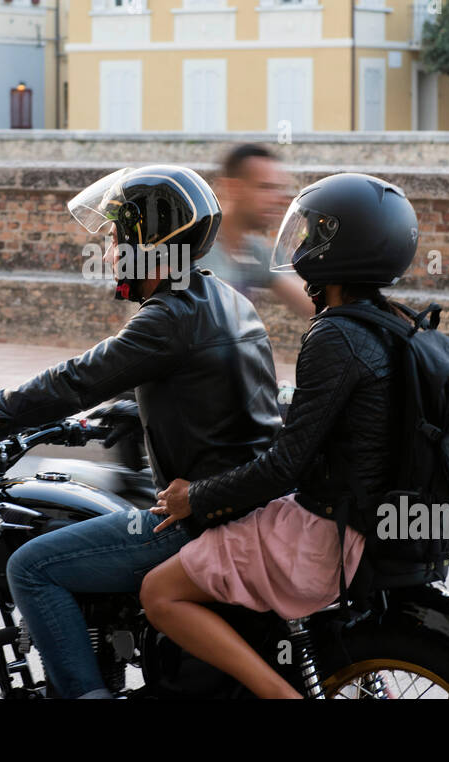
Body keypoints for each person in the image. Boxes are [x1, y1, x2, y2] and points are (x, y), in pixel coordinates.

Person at [0, 164, 281, 699]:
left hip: (200, 518)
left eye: (119, 234)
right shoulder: (225, 301)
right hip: (242, 505)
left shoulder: (168, 317)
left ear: (150, 241)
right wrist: (120, 414)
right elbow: (206, 397)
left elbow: (74, 380)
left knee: (32, 566)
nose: (112, 248)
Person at [142, 172, 419, 699]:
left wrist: (192, 497)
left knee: (159, 592)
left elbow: (282, 468)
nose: (303, 246)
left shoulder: (333, 332)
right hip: (362, 526)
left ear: (340, 249)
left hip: (324, 535)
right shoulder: (392, 322)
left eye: (313, 235)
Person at [198, 143, 311, 316]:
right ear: (232, 188)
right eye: (266, 187)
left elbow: (311, 305)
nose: (279, 199)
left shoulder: (255, 250)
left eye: (280, 188)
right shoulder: (194, 247)